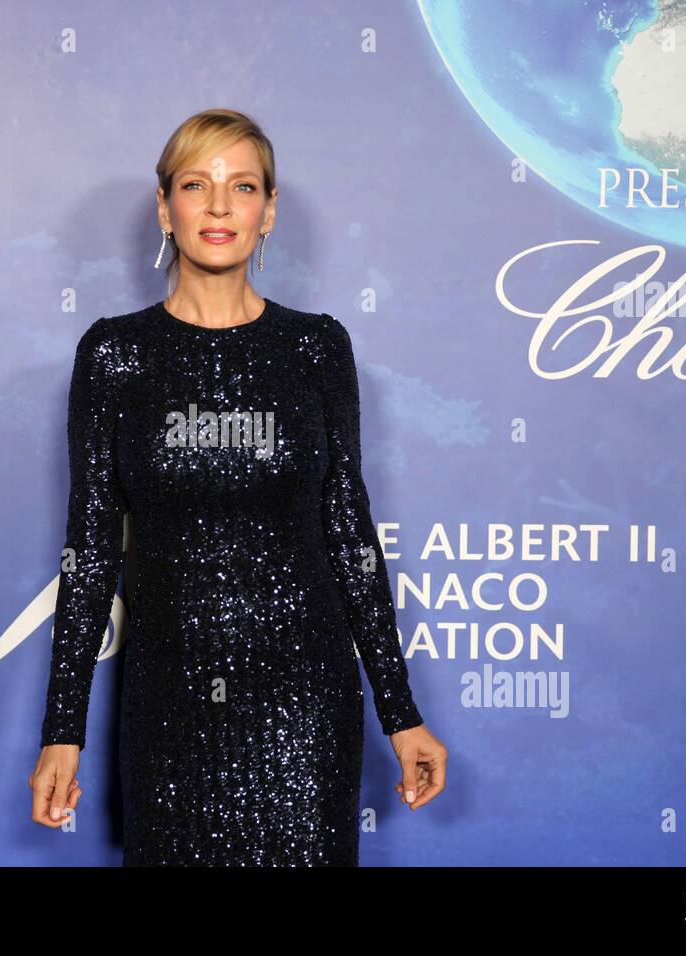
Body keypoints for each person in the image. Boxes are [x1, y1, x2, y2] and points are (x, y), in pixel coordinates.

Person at [29, 108, 447, 865]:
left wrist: (401, 712)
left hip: (305, 705)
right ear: (166, 208)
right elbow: (89, 553)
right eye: (196, 184)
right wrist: (63, 730)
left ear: (268, 211)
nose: (219, 205)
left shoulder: (316, 347)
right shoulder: (115, 355)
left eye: (242, 185)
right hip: (170, 709)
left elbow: (349, 534)